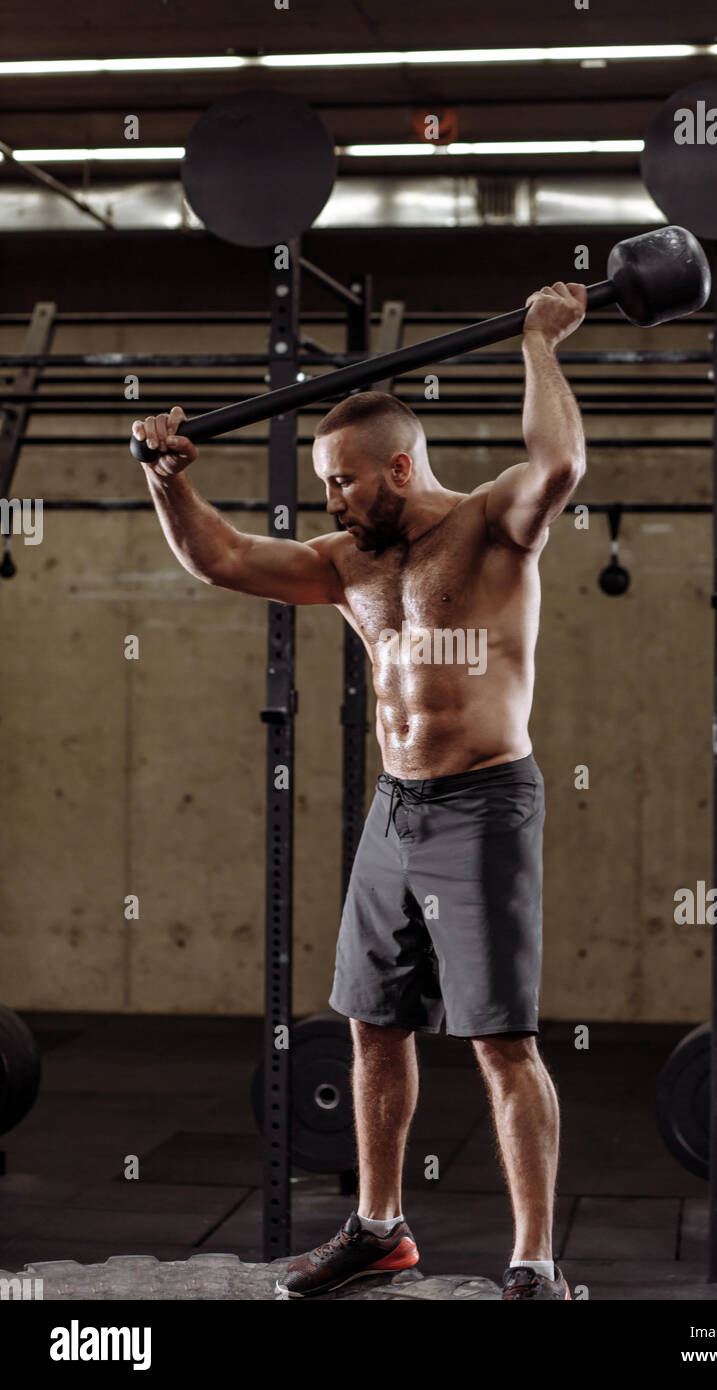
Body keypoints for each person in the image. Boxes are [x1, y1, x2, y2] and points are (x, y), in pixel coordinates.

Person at [132, 280, 587, 1301]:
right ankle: (379, 1228)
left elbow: (558, 461)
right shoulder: (346, 564)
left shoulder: (492, 528)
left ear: (396, 465)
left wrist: (537, 342)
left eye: (341, 482)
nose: (328, 502)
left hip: (482, 805)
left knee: (500, 1041)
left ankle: (533, 1265)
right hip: (396, 808)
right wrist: (168, 480)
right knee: (372, 1025)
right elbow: (222, 560)